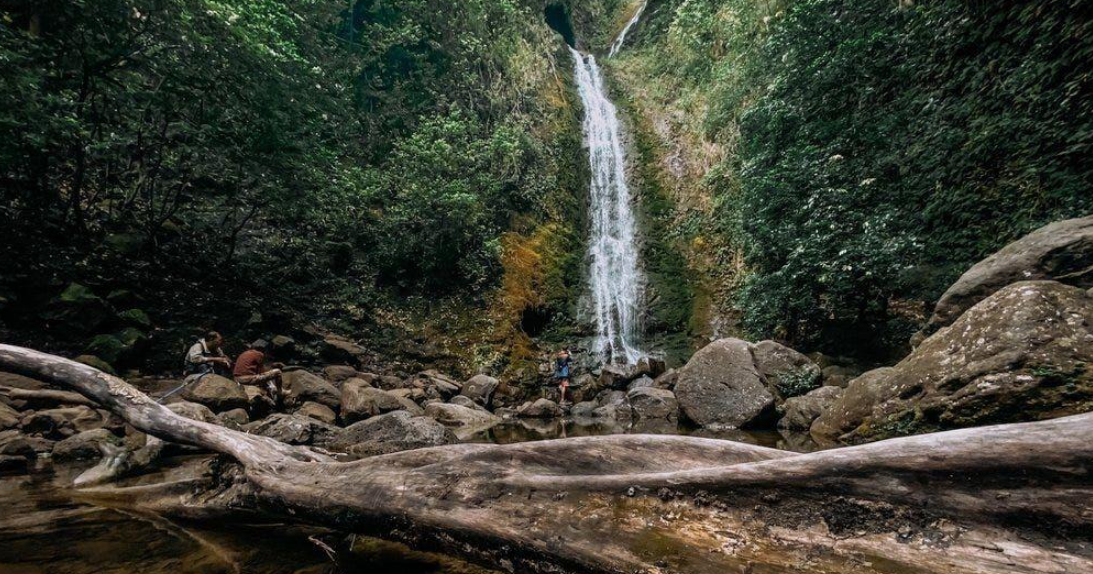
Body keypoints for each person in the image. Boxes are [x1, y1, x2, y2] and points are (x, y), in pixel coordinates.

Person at [233, 339, 283, 407]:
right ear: (262, 348)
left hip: (237, 379)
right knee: (278, 372)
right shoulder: (259, 354)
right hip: (247, 379)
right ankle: (280, 392)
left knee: (266, 380)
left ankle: (271, 393)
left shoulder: (245, 353)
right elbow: (262, 372)